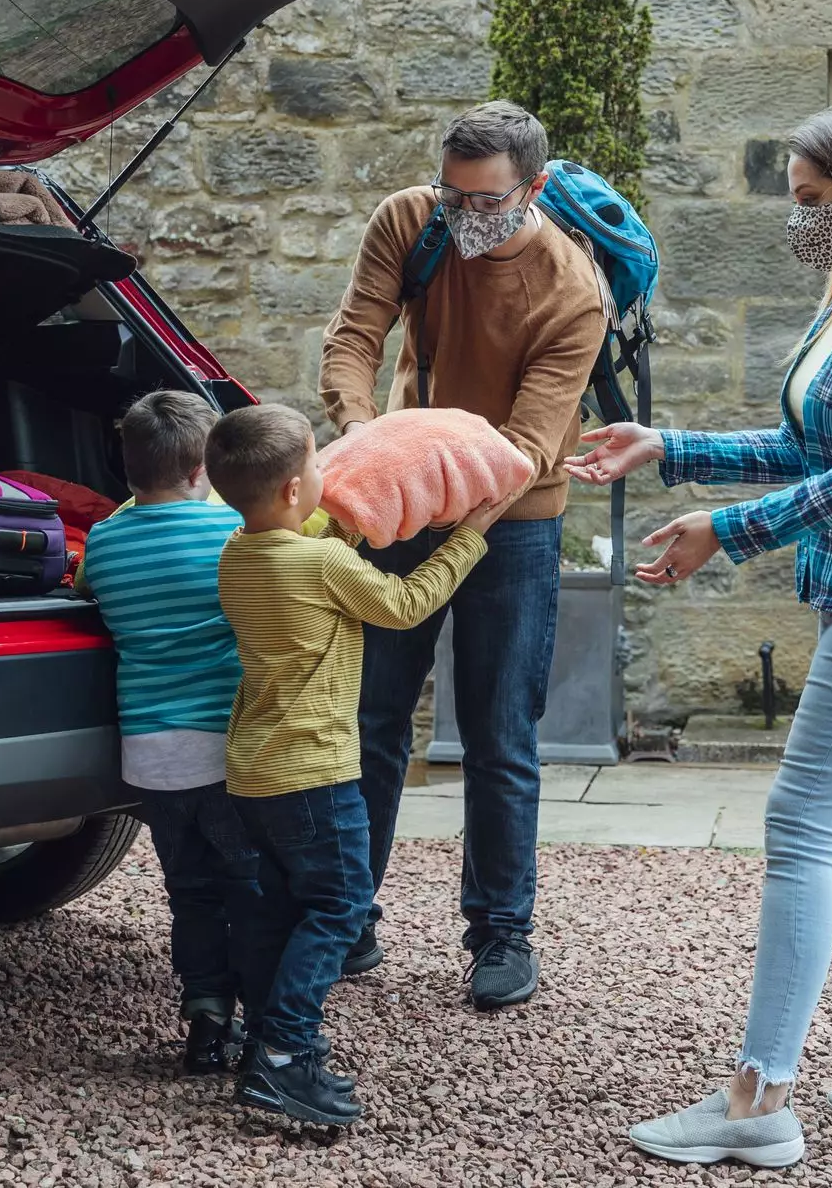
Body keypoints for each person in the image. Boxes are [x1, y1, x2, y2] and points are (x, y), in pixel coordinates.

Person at [566, 104, 832, 1167]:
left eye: (813, 203)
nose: (797, 221)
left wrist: (727, 530)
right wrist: (667, 444)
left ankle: (760, 1097)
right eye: (795, 201)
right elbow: (812, 444)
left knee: (800, 821)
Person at [319, 100, 609, 1011]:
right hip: (403, 496)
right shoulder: (411, 222)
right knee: (369, 716)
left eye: (484, 201)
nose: (462, 216)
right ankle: (343, 917)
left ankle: (500, 934)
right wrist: (368, 448)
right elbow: (354, 338)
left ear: (536, 189)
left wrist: (450, 524)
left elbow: (526, 447)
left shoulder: (572, 292)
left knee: (498, 736)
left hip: (514, 516)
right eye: (450, 194)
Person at [206, 404, 519, 1125]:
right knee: (340, 907)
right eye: (317, 465)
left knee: (271, 910)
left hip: (252, 770)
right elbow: (407, 604)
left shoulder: (236, 553)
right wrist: (468, 537)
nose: (324, 475)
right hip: (314, 773)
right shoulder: (321, 561)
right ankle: (287, 1052)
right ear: (292, 490)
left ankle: (260, 1047)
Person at [74, 390, 260, 1075]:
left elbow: (87, 588)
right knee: (250, 886)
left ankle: (206, 1019)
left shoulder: (105, 539)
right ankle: (266, 1024)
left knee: (190, 890)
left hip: (151, 756)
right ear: (199, 471)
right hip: (223, 747)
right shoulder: (229, 537)